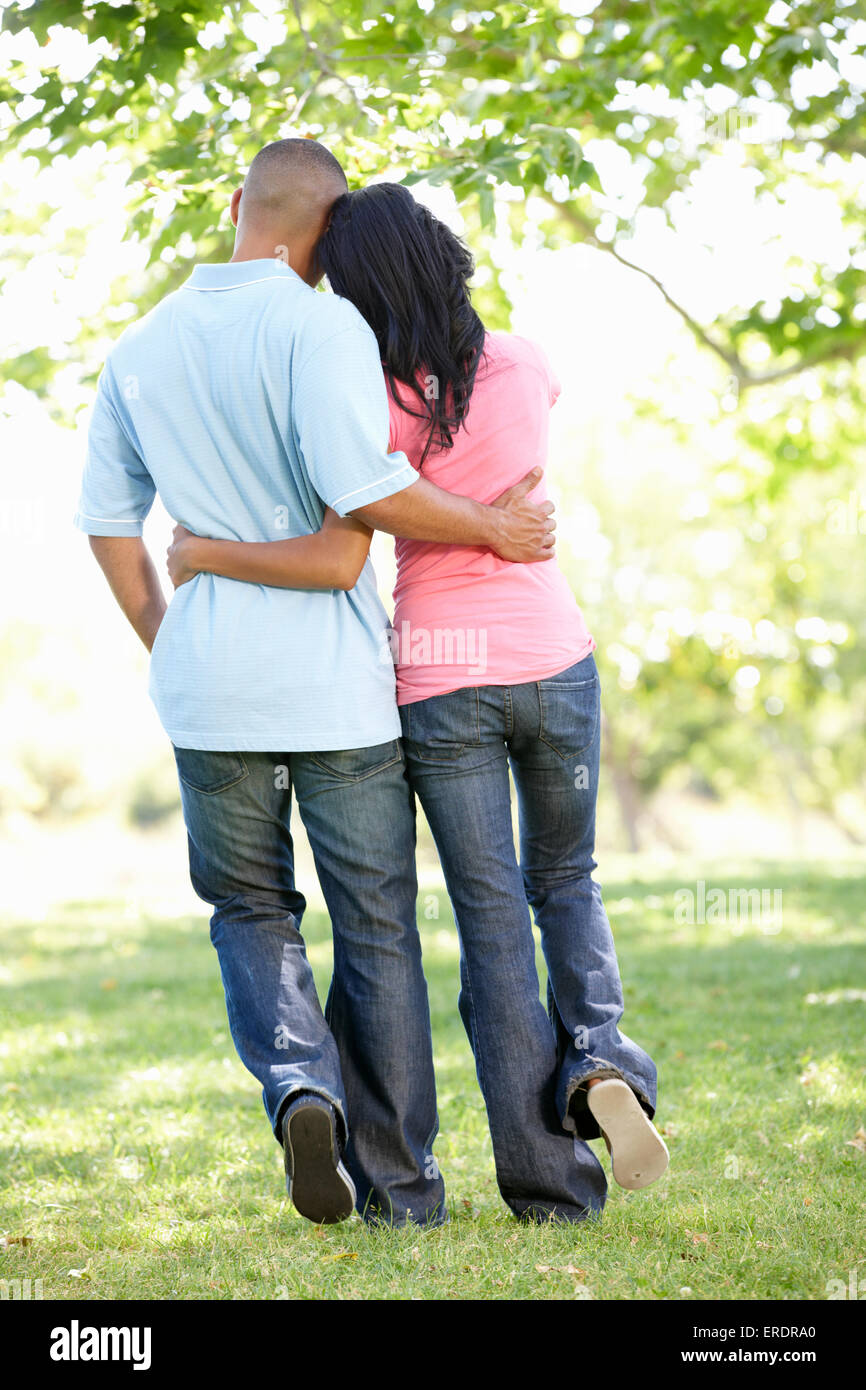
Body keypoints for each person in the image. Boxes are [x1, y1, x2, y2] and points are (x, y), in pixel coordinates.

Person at [167, 181, 669, 1224]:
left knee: (490, 926)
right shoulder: (526, 364)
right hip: (553, 657)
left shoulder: (376, 395)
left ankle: (505, 1176)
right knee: (567, 879)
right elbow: (524, 465)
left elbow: (361, 501)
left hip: (439, 678)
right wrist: (496, 513)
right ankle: (591, 1075)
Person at [75, 142, 556, 1228]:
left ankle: (299, 1084)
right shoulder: (325, 327)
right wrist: (489, 524)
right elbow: (363, 493)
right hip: (335, 689)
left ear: (237, 205)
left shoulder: (136, 348)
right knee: (375, 923)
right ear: (328, 234)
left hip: (209, 691)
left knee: (250, 907)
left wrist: (172, 638)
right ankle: (401, 1191)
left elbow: (111, 525)